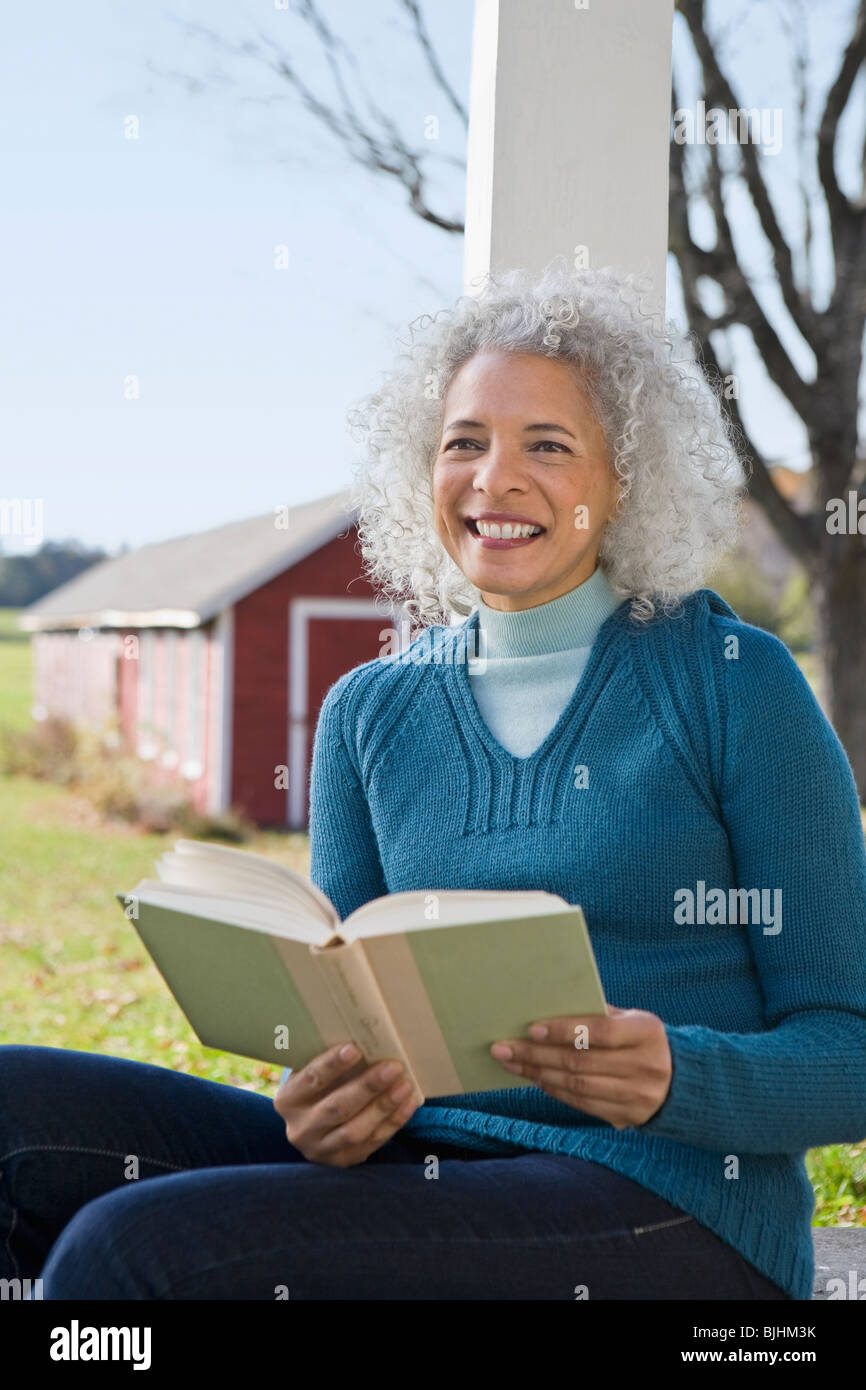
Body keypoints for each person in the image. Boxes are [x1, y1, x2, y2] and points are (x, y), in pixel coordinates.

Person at [3, 263, 864, 1300]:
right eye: (464, 442)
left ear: (622, 480)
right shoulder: (368, 710)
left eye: (545, 445)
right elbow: (349, 1008)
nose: (493, 479)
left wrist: (677, 1075)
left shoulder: (732, 685)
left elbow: (845, 1050)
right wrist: (319, 1098)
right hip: (416, 1166)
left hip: (669, 1203)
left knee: (131, 1252)